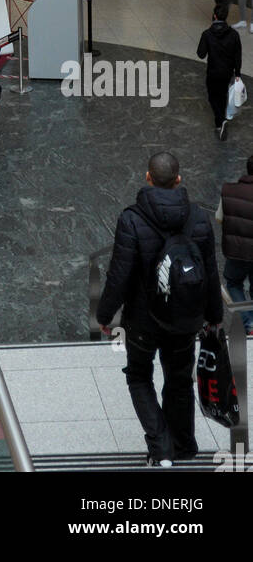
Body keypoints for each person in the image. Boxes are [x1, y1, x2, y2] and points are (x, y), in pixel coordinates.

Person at [96, 151, 222, 466]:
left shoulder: (132, 219)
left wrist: (105, 316)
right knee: (179, 379)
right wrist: (215, 316)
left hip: (142, 322)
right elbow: (209, 271)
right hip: (185, 318)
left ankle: (161, 447)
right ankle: (181, 445)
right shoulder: (198, 218)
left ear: (148, 177)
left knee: (139, 376)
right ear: (178, 179)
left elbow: (119, 274)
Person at [216, 156, 253, 335]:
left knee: (234, 284)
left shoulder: (229, 191)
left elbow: (219, 218)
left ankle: (250, 324)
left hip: (238, 251)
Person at [196, 1, 242, 139]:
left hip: (213, 71)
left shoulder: (207, 34)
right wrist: (238, 73)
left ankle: (220, 120)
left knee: (212, 96)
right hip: (227, 72)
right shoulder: (234, 34)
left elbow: (201, 54)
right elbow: (237, 55)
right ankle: (220, 123)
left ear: (214, 16)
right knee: (222, 96)